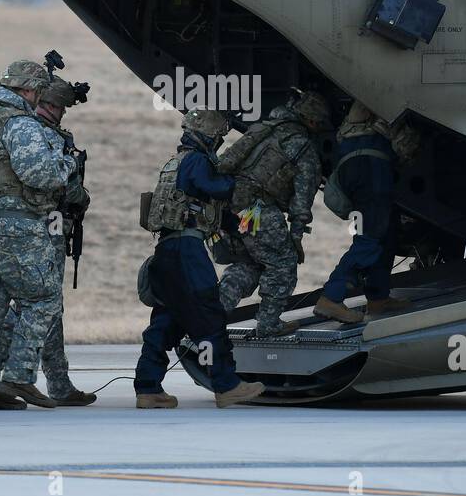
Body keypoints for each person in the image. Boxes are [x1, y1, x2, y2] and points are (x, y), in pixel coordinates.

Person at [0, 60, 75, 410]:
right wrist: (66, 162)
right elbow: (40, 174)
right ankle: (20, 375)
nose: (38, 97)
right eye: (36, 91)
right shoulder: (20, 124)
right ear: (25, 90)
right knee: (44, 298)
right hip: (17, 226)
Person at [134, 108, 264, 409]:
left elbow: (206, 208)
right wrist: (240, 185)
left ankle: (147, 387)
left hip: (165, 252)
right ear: (210, 135)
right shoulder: (197, 160)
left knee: (167, 320)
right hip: (186, 252)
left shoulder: (174, 162)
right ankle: (227, 384)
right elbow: (214, 188)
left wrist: (239, 224)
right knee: (209, 312)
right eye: (219, 138)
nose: (219, 144)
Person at [0, 77, 96, 405]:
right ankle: (26, 379)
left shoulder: (16, 130)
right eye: (59, 106)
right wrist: (82, 195)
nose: (61, 113)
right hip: (44, 228)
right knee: (42, 305)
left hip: (23, 227)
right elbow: (60, 186)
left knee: (33, 306)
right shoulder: (42, 135)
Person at [216, 89, 328, 337]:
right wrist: (296, 236)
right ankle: (268, 324)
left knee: (248, 262)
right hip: (257, 212)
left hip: (230, 208)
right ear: (311, 121)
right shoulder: (302, 148)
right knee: (283, 265)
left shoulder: (262, 129)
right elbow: (302, 199)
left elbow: (227, 162)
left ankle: (212, 317)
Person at [316, 103, 421, 321]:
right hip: (370, 167)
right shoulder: (395, 98)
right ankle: (331, 298)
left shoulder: (369, 97)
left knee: (387, 233)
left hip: (358, 166)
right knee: (371, 236)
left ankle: (378, 298)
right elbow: (405, 147)